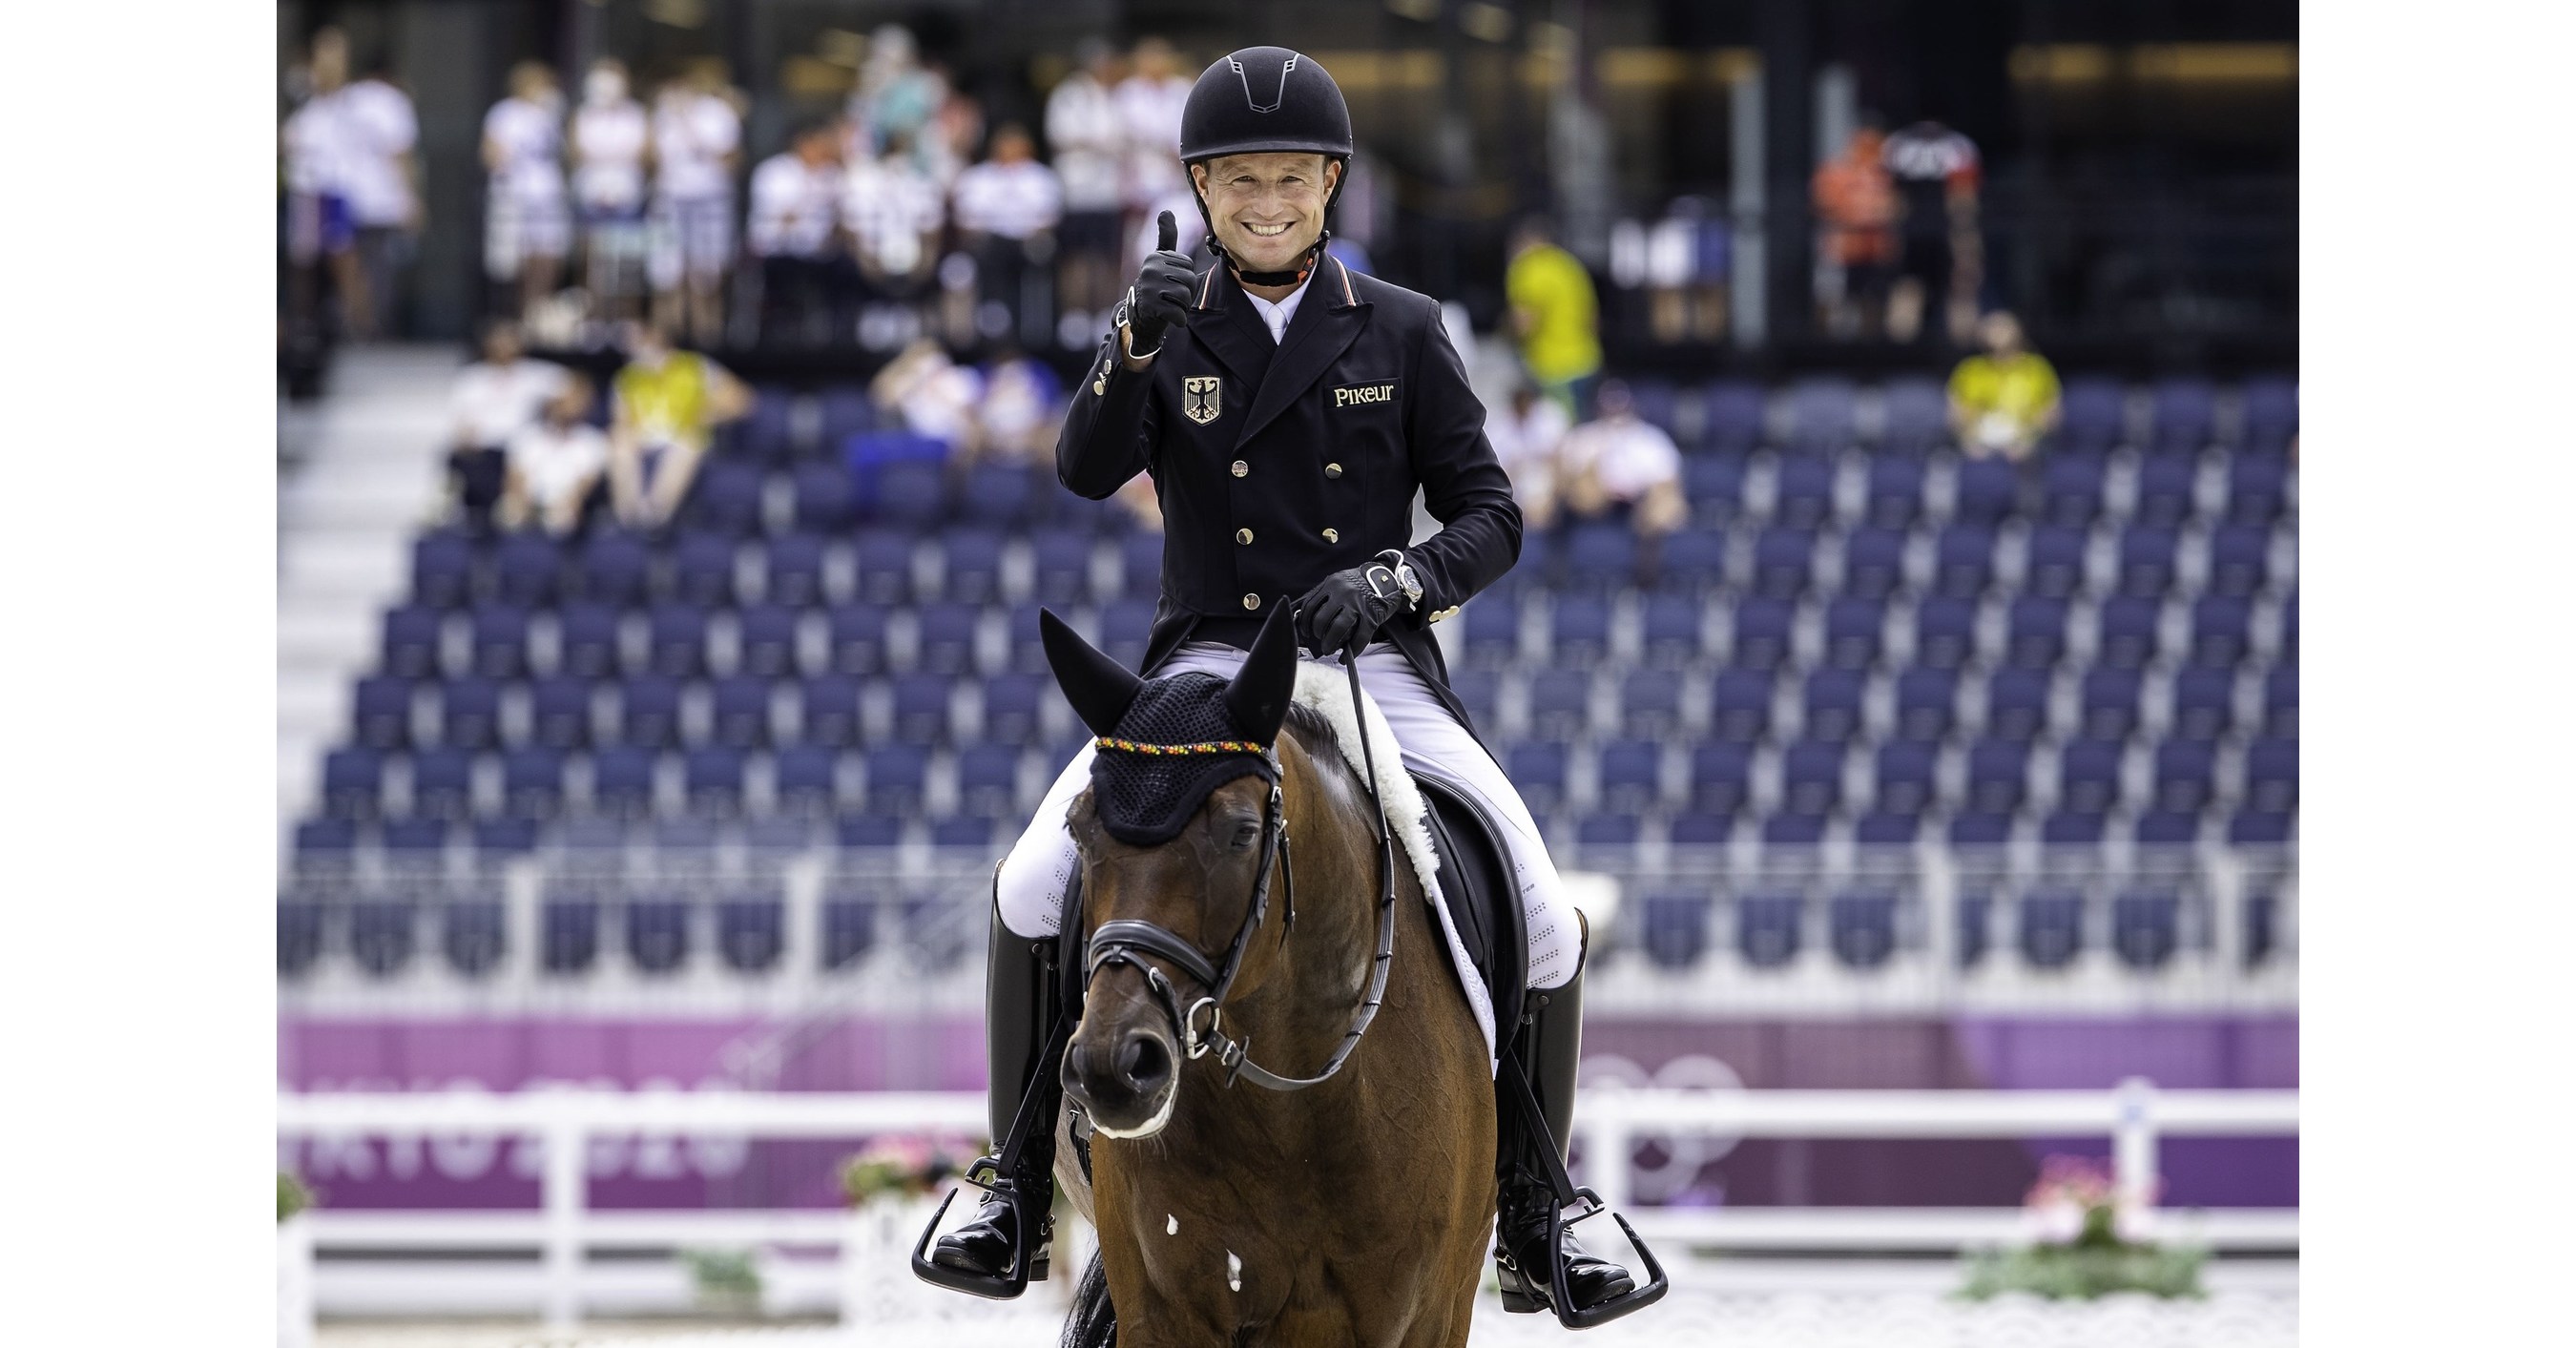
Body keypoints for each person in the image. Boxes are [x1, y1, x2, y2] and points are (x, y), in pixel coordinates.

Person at [930, 46, 1639, 1320]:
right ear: (1202, 190)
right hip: (1209, 659)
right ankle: (1012, 1191)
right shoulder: (1166, 322)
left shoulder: (1407, 329)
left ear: (1332, 185)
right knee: (1033, 879)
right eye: (1241, 180)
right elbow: (1086, 467)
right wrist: (1130, 339)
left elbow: (1492, 517)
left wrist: (1402, 583)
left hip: (1367, 661)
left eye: (1293, 178)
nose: (1268, 201)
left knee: (1535, 902)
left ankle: (1543, 1211)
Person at [608, 321, 751, 529]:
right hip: (645, 438)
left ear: (657, 340)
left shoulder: (694, 366)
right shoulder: (629, 375)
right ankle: (627, 515)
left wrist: (707, 415)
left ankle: (655, 515)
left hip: (685, 435)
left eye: (641, 342)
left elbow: (743, 401)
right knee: (618, 441)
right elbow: (620, 419)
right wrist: (626, 430)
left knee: (687, 444)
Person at [648, 64, 742, 347]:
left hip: (709, 205)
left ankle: (708, 344)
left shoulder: (719, 114)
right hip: (670, 202)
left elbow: (731, 159)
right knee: (667, 279)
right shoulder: (664, 114)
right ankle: (667, 347)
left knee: (706, 280)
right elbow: (649, 160)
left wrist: (692, 128)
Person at [448, 322, 571, 532]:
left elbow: (572, 388)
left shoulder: (535, 375)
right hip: (485, 449)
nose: (504, 347)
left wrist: (553, 411)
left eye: (509, 341)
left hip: (523, 445)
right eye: (498, 341)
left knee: (529, 456)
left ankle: (522, 515)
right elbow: (460, 424)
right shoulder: (472, 379)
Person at [950, 123, 1063, 349]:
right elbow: (967, 222)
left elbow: (1047, 222)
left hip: (1027, 243)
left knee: (1039, 251)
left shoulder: (1041, 178)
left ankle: (1034, 329)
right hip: (989, 242)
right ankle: (993, 316)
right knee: (983, 252)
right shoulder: (976, 178)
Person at [334, 52, 421, 340]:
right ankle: (372, 326)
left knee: (349, 265)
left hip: (343, 192)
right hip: (380, 197)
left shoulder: (347, 97)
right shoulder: (392, 101)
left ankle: (351, 322)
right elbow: (400, 152)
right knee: (378, 268)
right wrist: (411, 197)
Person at [1046, 38, 1130, 331]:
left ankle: (1103, 315)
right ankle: (1075, 317)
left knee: (1106, 258)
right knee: (1076, 257)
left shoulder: (1112, 97)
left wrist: (1098, 145)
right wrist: (1097, 145)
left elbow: (1122, 140)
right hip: (1077, 190)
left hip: (1107, 191)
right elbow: (1061, 138)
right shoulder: (1067, 96)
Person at [281, 31, 360, 344]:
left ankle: (358, 325)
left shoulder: (347, 98)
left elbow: (333, 80)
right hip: (306, 186)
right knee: (304, 261)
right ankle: (304, 321)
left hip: (334, 186)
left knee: (342, 258)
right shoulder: (302, 93)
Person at [746, 117, 852, 344]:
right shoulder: (773, 173)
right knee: (783, 275)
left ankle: (838, 339)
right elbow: (780, 221)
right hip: (779, 251)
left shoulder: (831, 175)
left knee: (847, 267)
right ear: (803, 143)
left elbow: (839, 217)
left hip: (820, 255)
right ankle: (777, 335)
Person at [1881, 117, 1983, 346]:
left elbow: (1962, 199)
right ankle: (1902, 358)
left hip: (1936, 231)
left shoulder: (1955, 146)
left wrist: (1965, 245)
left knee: (1958, 290)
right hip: (1918, 231)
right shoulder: (1899, 145)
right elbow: (1894, 200)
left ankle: (1961, 355)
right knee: (1909, 290)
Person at [484, 62, 571, 325]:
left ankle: (539, 314)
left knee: (548, 255)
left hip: (548, 195)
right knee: (515, 261)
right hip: (516, 197)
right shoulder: (504, 113)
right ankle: (516, 317)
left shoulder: (550, 114)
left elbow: (566, 154)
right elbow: (490, 154)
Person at [841, 131, 945, 349]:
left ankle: (911, 321)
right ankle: (869, 324)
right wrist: (865, 258)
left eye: (905, 152)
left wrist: (925, 260)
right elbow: (851, 227)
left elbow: (931, 229)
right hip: (869, 255)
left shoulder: (923, 183)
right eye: (894, 152)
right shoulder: (863, 182)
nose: (898, 160)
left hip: (912, 256)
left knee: (944, 268)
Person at [571, 58, 652, 325]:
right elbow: (576, 153)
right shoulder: (583, 115)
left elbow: (646, 155)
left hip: (627, 198)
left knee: (627, 263)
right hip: (593, 198)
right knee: (593, 263)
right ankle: (595, 319)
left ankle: (626, 320)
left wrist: (606, 155)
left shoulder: (637, 115)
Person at [1556, 380, 1687, 536]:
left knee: (1668, 506)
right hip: (1593, 503)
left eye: (1619, 403)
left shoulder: (1652, 437)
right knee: (1584, 489)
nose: (1615, 410)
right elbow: (1564, 481)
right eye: (1610, 404)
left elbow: (1668, 482)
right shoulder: (1585, 435)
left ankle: (1647, 556)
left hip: (1640, 502)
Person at [1505, 216, 1604, 420]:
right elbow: (1592, 319)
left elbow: (1525, 323)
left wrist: (1505, 333)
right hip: (1587, 362)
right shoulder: (1570, 265)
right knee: (1585, 434)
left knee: (1560, 437)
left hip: (1553, 370)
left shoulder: (1527, 268)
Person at [1811, 122, 1897, 340]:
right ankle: (1826, 342)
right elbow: (1823, 205)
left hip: (1874, 250)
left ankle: (1870, 345)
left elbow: (1892, 208)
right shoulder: (1835, 172)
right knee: (1833, 297)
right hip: (1841, 249)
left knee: (1873, 298)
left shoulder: (1883, 176)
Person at [1113, 37, 1193, 255]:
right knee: (1136, 245)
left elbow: (1188, 128)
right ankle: (1134, 288)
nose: (1156, 63)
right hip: (1139, 179)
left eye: (1161, 57)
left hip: (1175, 177)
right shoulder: (1128, 92)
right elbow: (1123, 134)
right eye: (1150, 58)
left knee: (1175, 238)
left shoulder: (1182, 89)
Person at [1946, 310, 2061, 462]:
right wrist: (1971, 441)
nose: (1997, 331)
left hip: (2026, 448)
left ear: (2018, 331)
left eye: (2003, 326)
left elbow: (2052, 415)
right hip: (1979, 447)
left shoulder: (2037, 368)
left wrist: (2029, 440)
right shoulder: (1970, 370)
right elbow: (1956, 416)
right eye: (1992, 326)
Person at [502, 375, 609, 536]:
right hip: (530, 502)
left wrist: (567, 504)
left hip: (565, 504)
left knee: (561, 519)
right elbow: (515, 478)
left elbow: (585, 484)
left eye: (577, 402)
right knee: (509, 511)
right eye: (565, 401)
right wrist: (525, 504)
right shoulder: (528, 436)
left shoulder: (593, 441)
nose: (570, 407)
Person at [1485, 380, 1574, 529]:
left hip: (1547, 475)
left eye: (1526, 400)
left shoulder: (1550, 414)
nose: (1523, 405)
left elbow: (1560, 456)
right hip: (1516, 479)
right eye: (1520, 400)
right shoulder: (1498, 424)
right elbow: (1498, 468)